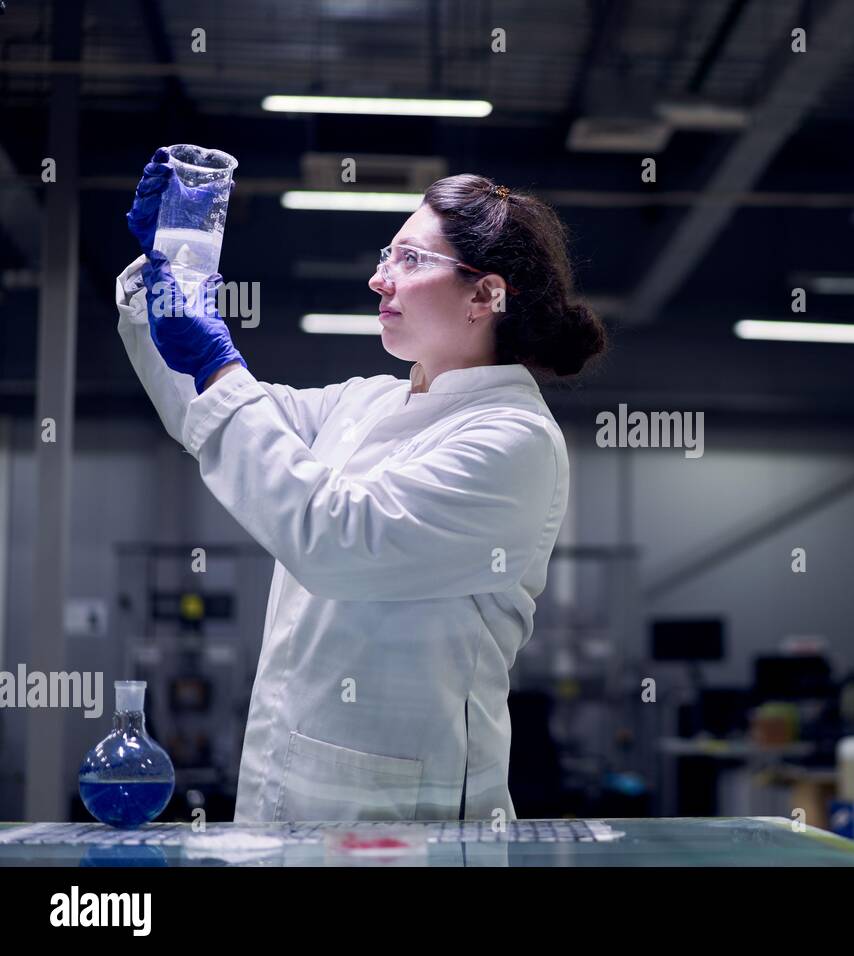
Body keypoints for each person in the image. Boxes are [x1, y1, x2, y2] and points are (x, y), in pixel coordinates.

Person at [115, 149, 607, 822]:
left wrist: (218, 363)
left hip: (412, 819)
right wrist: (160, 285)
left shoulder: (513, 441)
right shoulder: (367, 402)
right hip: (287, 794)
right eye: (387, 254)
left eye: (410, 259)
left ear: (486, 294)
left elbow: (339, 541)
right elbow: (212, 412)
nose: (380, 279)